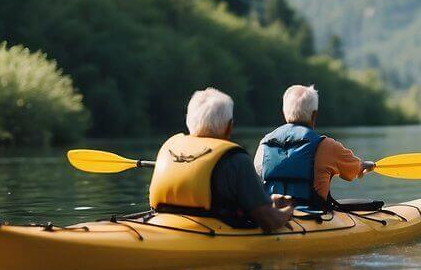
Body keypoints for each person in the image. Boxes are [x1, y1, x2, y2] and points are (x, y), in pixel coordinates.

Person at [148, 88, 294, 231]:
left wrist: (267, 201)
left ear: (188, 120)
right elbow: (268, 221)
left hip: (160, 224)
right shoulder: (236, 159)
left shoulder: (169, 148)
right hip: (213, 232)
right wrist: (287, 212)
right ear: (229, 126)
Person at [254, 84, 373, 209]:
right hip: (312, 216)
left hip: (273, 214)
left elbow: (258, 174)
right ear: (314, 115)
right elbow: (354, 171)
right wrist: (364, 166)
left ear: (284, 112)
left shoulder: (264, 143)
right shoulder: (327, 146)